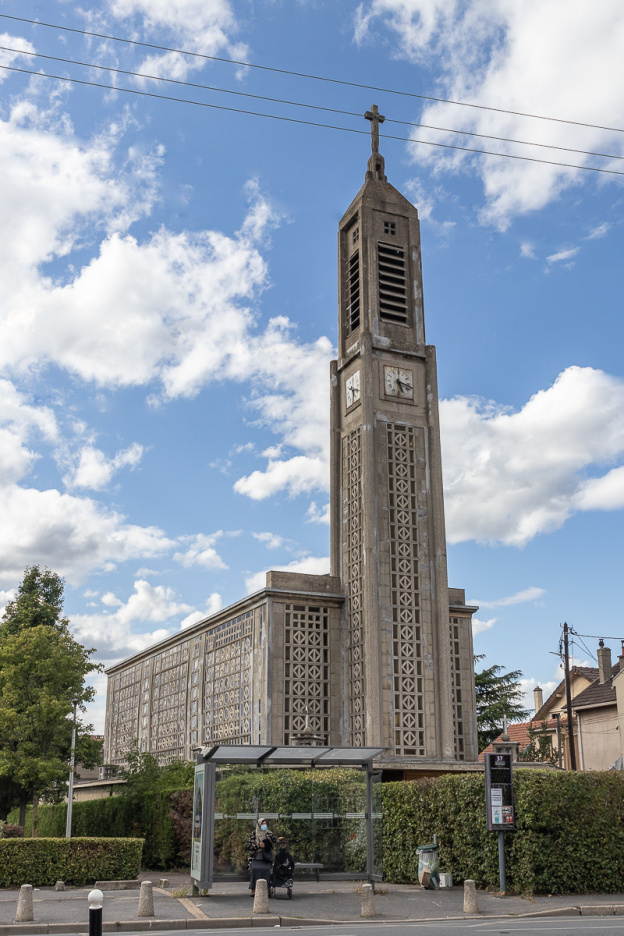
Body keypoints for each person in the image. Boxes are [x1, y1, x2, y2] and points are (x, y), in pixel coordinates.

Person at [247, 817, 277, 896]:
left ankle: (266, 889)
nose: (264, 825)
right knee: (254, 869)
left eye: (265, 824)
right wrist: (258, 845)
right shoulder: (254, 834)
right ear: (259, 825)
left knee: (266, 870)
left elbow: (274, 841)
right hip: (256, 857)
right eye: (262, 824)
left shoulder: (269, 833)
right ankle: (253, 889)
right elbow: (249, 846)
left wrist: (276, 841)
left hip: (266, 857)